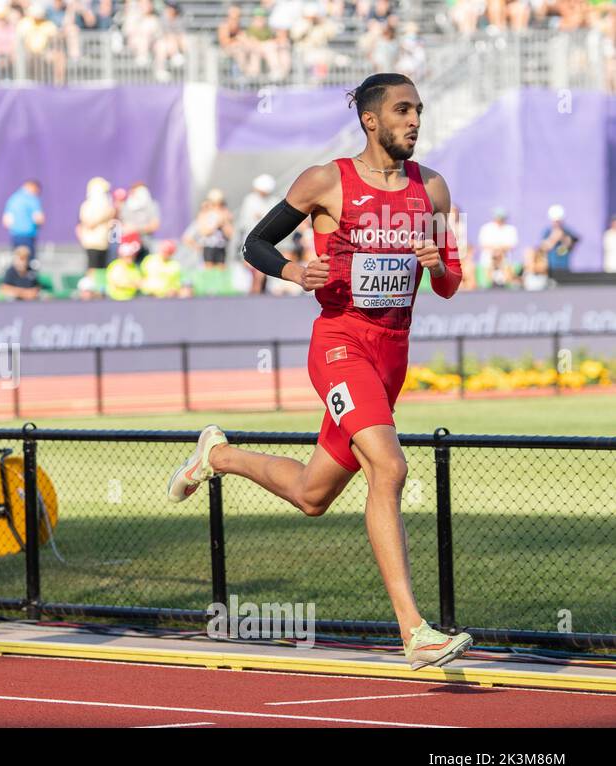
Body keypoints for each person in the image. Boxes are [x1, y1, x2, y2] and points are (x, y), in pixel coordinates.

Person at [173, 73, 474, 671]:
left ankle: (217, 456)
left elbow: (449, 284)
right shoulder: (325, 181)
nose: (415, 120)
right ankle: (414, 632)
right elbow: (255, 243)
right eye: (402, 110)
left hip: (393, 354)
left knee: (313, 495)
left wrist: (438, 264)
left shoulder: (432, 190)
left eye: (419, 109)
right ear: (371, 120)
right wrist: (291, 273)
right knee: (388, 467)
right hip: (339, 345)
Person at [237, 174, 280, 293]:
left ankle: (257, 294)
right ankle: (255, 295)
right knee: (254, 273)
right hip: (250, 243)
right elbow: (244, 224)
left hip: (266, 243)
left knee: (260, 273)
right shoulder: (250, 200)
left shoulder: (273, 201)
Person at [77, 176, 116, 275]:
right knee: (93, 268)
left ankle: (99, 289)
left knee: (102, 270)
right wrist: (106, 214)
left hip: (104, 243)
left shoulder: (108, 206)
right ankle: (91, 288)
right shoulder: (87, 206)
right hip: (93, 243)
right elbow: (89, 223)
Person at [120, 181, 161, 263]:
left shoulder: (152, 206)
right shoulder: (126, 206)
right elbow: (123, 226)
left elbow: (155, 225)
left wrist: (136, 229)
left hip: (146, 244)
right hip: (129, 245)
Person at [2, 179, 44, 253]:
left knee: (18, 261)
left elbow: (6, 221)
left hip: (15, 236)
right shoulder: (32, 199)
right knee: (29, 262)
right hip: (28, 237)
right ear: (33, 187)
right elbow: (39, 219)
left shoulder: (13, 198)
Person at [476, 206, 518, 275]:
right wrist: (495, 251)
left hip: (505, 258)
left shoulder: (511, 229)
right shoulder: (486, 228)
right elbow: (483, 244)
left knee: (506, 267)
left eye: (501, 217)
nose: (499, 219)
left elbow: (512, 245)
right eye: (498, 217)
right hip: (488, 259)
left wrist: (499, 251)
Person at [539, 204, 579, 274]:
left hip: (564, 267)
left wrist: (563, 238)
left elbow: (572, 244)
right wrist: (554, 238)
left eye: (558, 221)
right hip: (551, 267)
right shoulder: (548, 232)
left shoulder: (567, 231)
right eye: (555, 221)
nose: (557, 223)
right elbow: (543, 248)